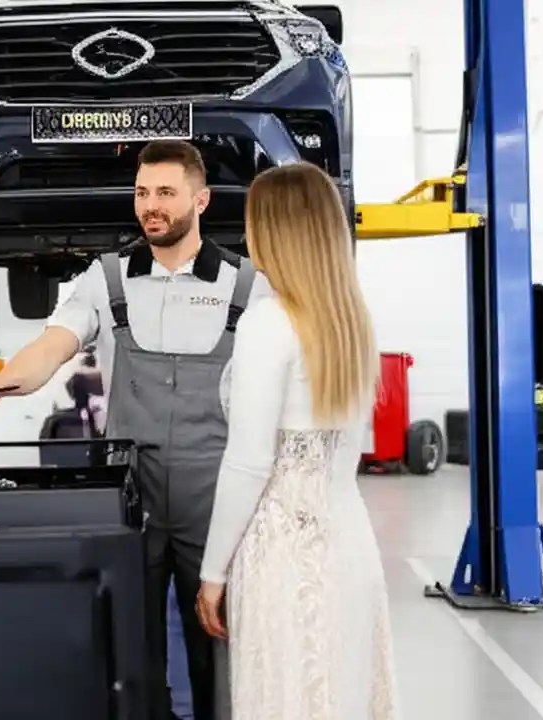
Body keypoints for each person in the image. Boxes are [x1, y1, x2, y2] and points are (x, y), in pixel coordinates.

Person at [0, 139, 270, 719]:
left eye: (165, 192)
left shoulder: (248, 286)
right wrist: (5, 381)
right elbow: (52, 346)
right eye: (141, 192)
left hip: (217, 501)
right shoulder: (106, 280)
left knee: (221, 650)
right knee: (129, 646)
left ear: (201, 200)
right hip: (132, 496)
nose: (150, 205)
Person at [194, 162, 400, 719]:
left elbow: (248, 464)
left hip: (283, 555)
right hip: (349, 544)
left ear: (276, 233)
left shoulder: (268, 324)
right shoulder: (351, 322)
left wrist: (212, 573)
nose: (248, 236)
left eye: (254, 223)